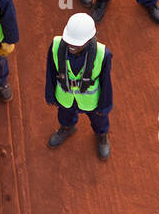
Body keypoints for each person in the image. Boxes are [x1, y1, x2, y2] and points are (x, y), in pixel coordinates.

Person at [45, 12, 113, 160]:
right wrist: (50, 93)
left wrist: (104, 106)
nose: (72, 45)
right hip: (65, 96)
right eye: (70, 41)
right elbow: (50, 70)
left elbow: (106, 83)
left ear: (89, 40)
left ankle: (102, 135)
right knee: (64, 114)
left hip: (91, 101)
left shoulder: (103, 55)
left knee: (99, 119)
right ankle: (67, 127)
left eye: (77, 43)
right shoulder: (56, 46)